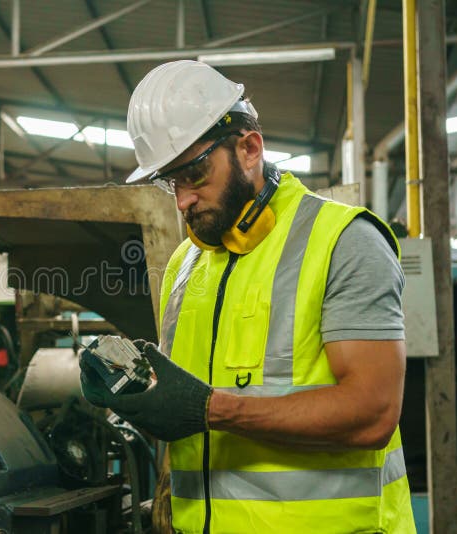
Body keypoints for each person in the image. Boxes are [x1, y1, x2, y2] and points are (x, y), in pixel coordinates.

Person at [80, 60, 416, 533]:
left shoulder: (344, 240)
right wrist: (133, 392)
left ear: (249, 148)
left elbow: (373, 414)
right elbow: (181, 407)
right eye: (169, 181)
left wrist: (211, 410)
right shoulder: (183, 265)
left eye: (194, 173)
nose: (181, 200)